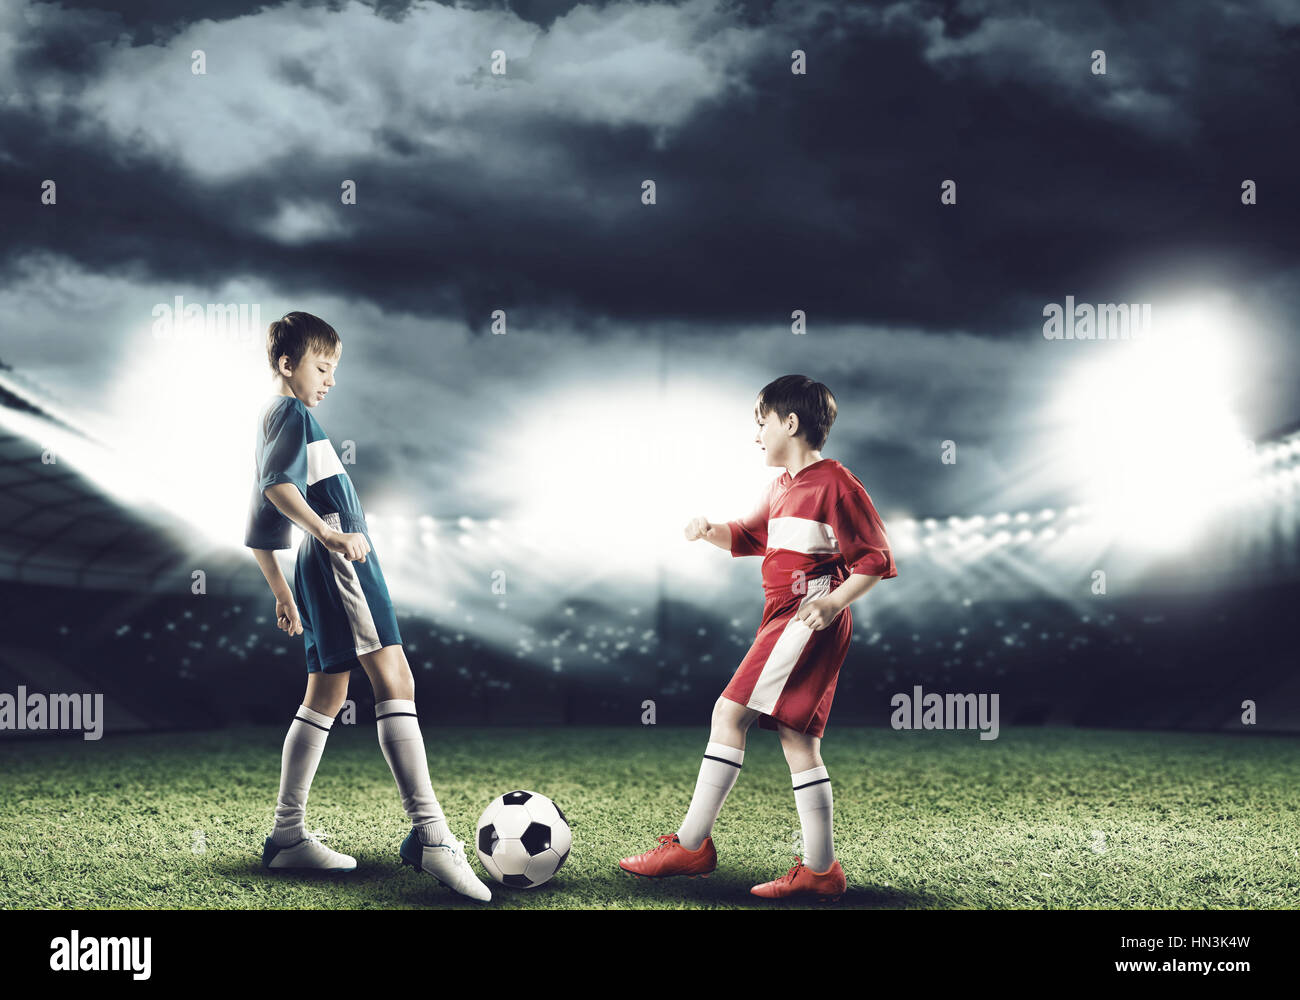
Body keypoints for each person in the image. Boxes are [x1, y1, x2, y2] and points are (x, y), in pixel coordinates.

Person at [619, 374, 898, 901]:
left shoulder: (835, 482)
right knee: (798, 739)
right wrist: (708, 530)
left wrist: (832, 602)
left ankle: (691, 845)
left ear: (790, 424)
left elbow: (875, 559)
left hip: (805, 615)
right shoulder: (779, 487)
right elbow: (748, 535)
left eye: (760, 423)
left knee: (729, 714)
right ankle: (820, 870)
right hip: (786, 616)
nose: (755, 436)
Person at [244, 311, 490, 901]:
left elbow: (259, 523)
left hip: (322, 559)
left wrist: (283, 590)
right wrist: (329, 538)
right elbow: (276, 489)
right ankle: (431, 837)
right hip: (338, 557)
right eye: (321, 367)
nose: (329, 380)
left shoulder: (277, 419)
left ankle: (287, 837)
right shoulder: (290, 412)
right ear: (287, 364)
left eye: (334, 370)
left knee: (326, 693)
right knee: (394, 678)